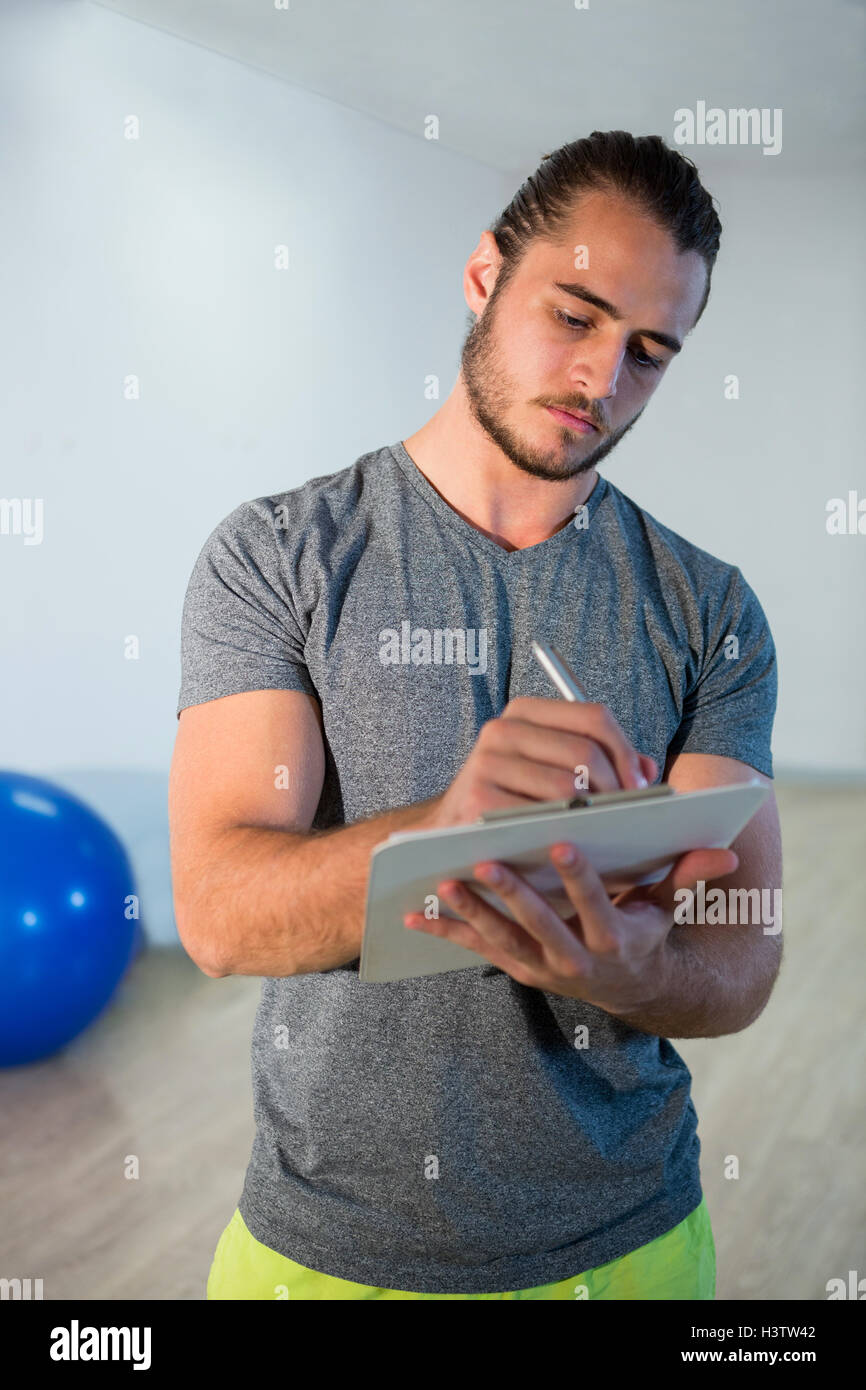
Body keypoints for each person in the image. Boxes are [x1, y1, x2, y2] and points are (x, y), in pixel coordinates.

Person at [169, 130, 783, 1300]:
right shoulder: (276, 557)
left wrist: (634, 971)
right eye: (576, 315)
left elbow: (738, 955)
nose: (603, 378)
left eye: (649, 352)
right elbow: (216, 913)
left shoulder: (709, 608)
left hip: (629, 1250)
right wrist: (444, 834)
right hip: (322, 1253)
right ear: (483, 275)